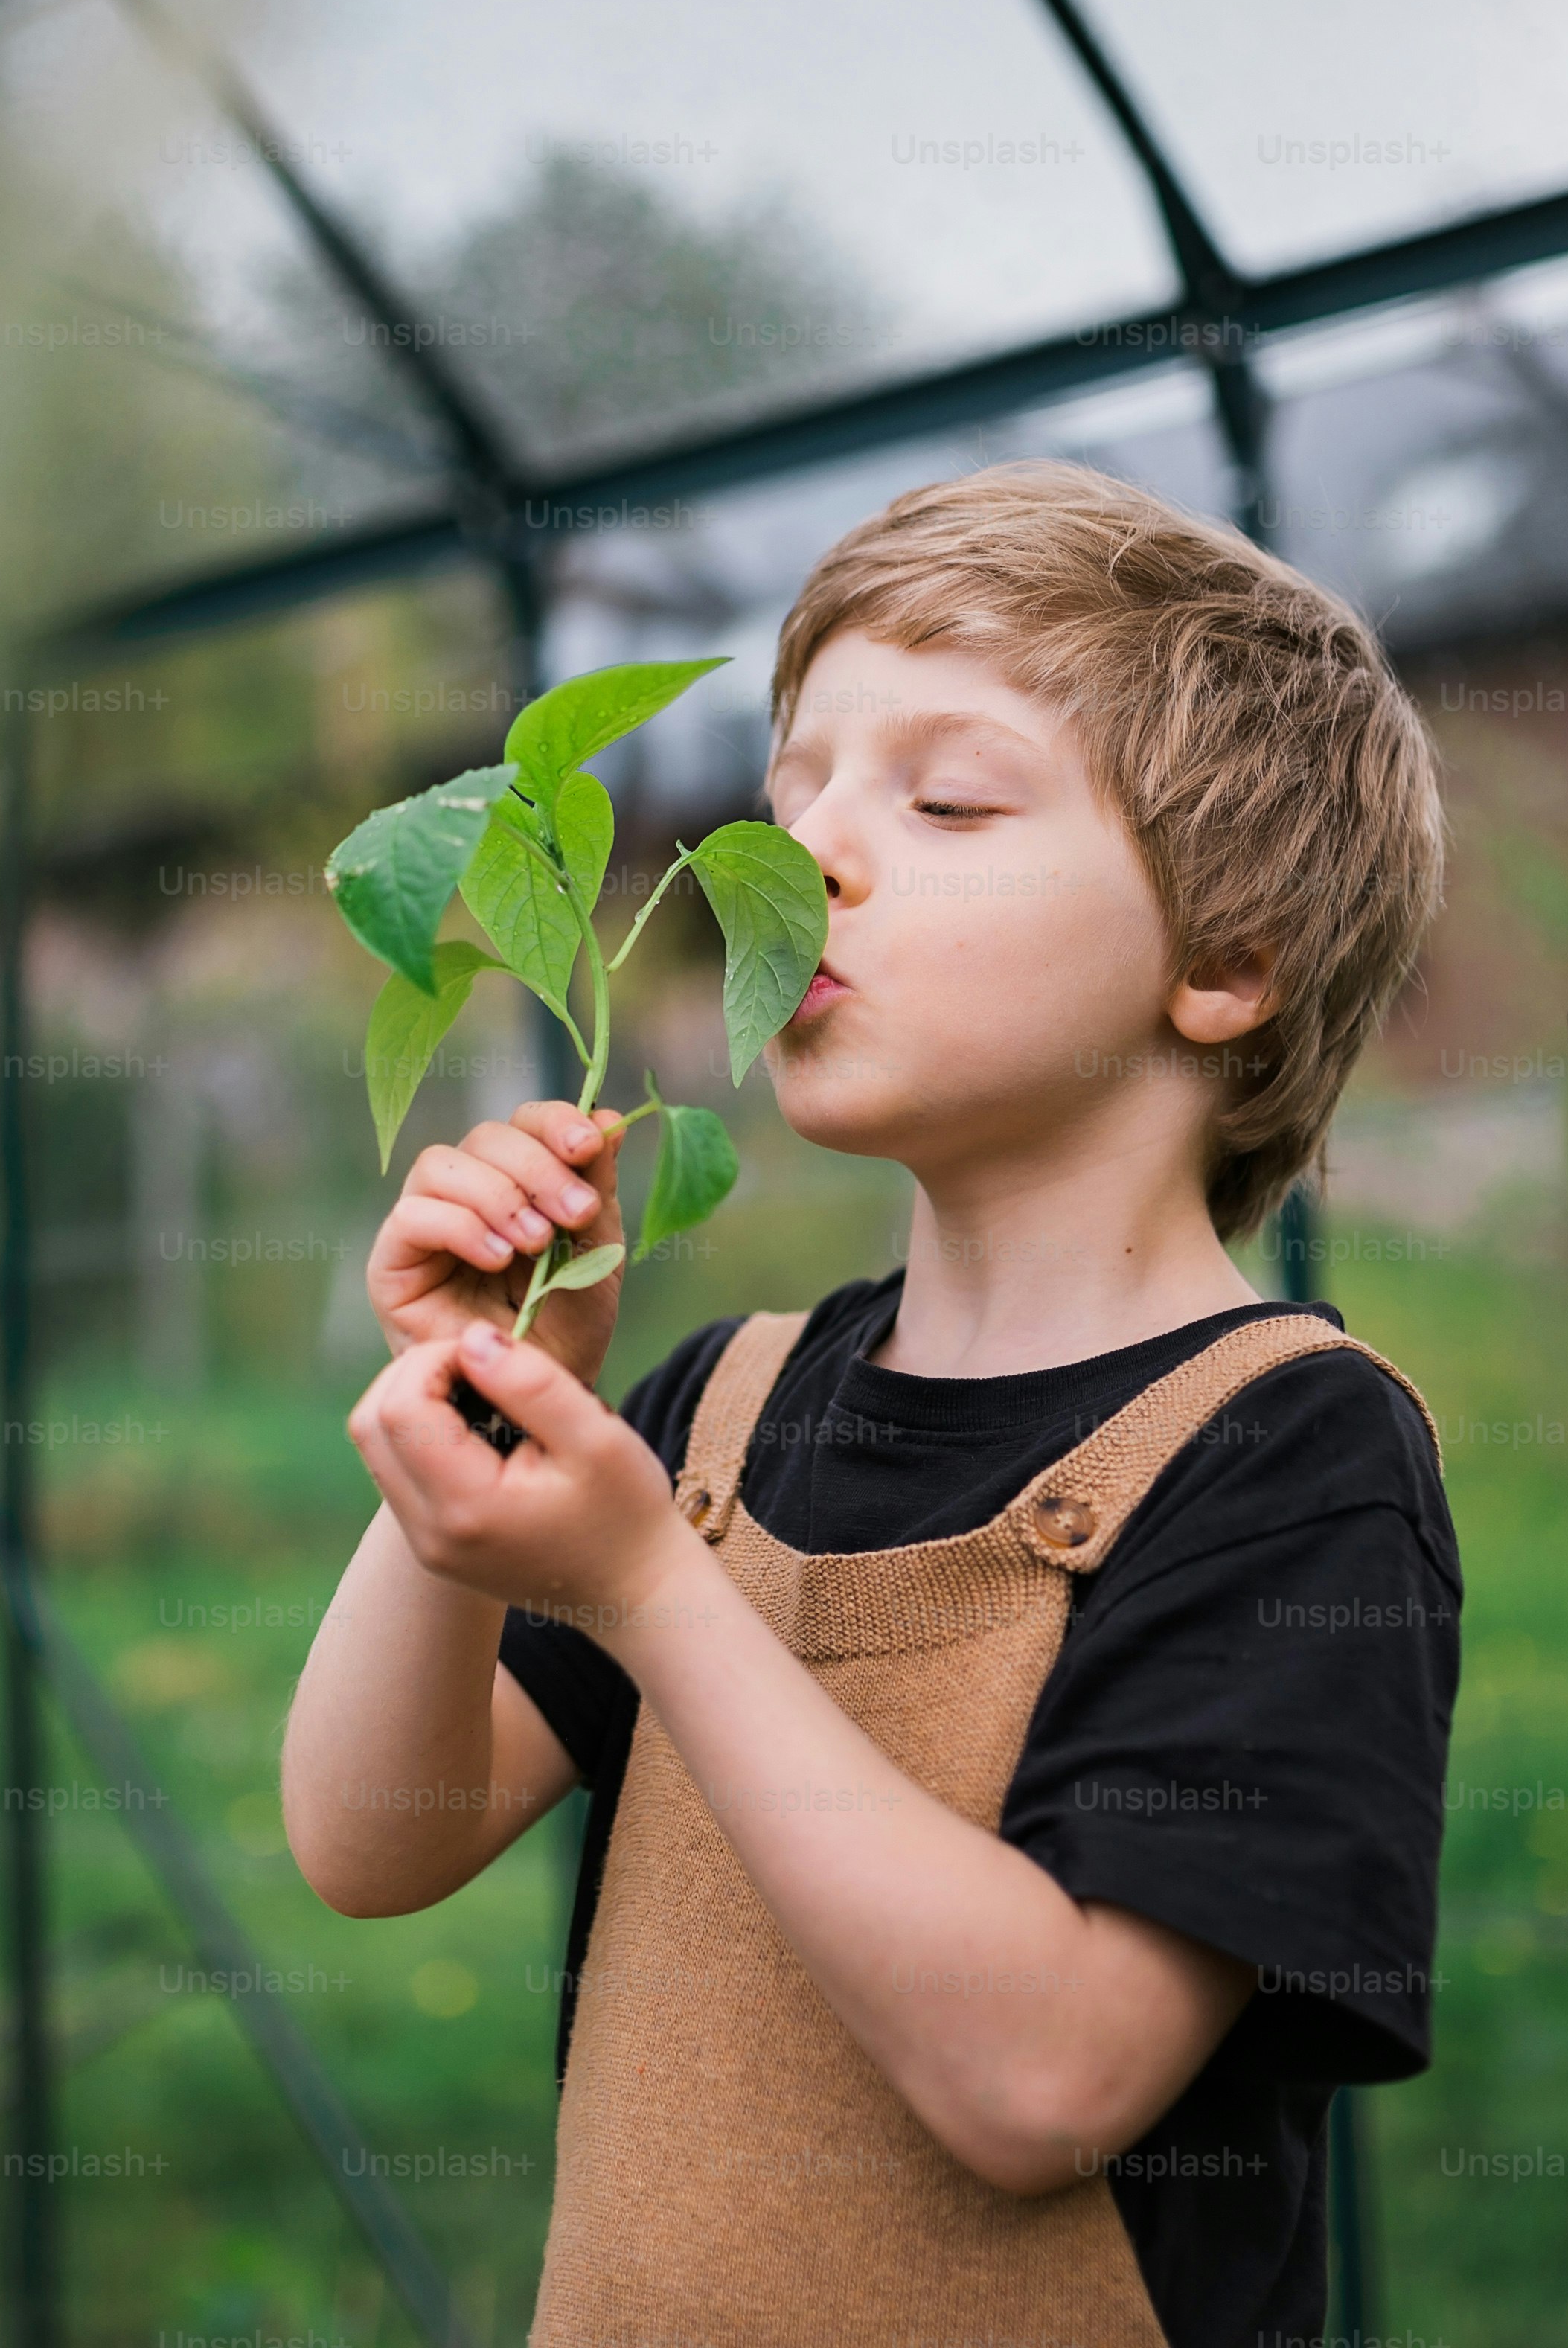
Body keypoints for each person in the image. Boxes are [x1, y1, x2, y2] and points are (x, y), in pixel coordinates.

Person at [281, 459, 1459, 2347]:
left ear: (1227, 963)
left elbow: (1043, 2083)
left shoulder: (1291, 1453)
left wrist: (653, 1586)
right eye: (788, 793)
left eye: (948, 797)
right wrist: (471, 1410)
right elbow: (372, 1834)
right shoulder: (725, 1408)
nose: (808, 852)